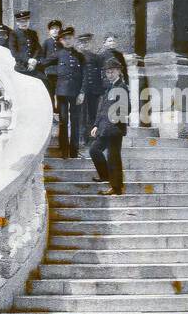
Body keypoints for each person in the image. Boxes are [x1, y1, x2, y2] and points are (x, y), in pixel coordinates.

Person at [89, 56, 130, 195]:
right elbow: (101, 110)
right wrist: (96, 125)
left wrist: (113, 121)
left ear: (119, 71)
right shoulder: (109, 88)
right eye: (107, 72)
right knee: (94, 150)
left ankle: (117, 187)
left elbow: (126, 109)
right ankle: (105, 176)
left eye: (112, 71)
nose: (109, 74)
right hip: (104, 128)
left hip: (115, 129)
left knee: (113, 157)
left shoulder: (122, 87)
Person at [43, 25, 86, 158]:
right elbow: (43, 63)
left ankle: (74, 151)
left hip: (76, 93)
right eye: (65, 39)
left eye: (70, 38)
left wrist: (82, 92)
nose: (67, 41)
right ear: (61, 40)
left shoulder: (80, 56)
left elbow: (84, 75)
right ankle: (64, 151)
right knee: (63, 121)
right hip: (61, 93)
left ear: (73, 39)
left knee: (75, 121)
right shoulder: (58, 54)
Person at [38, 19, 65, 104]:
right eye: (52, 29)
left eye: (57, 28)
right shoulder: (47, 42)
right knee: (50, 94)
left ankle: (60, 112)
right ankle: (52, 112)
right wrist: (45, 63)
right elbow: (41, 57)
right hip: (50, 72)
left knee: (61, 94)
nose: (55, 31)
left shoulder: (63, 42)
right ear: (49, 31)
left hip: (61, 73)